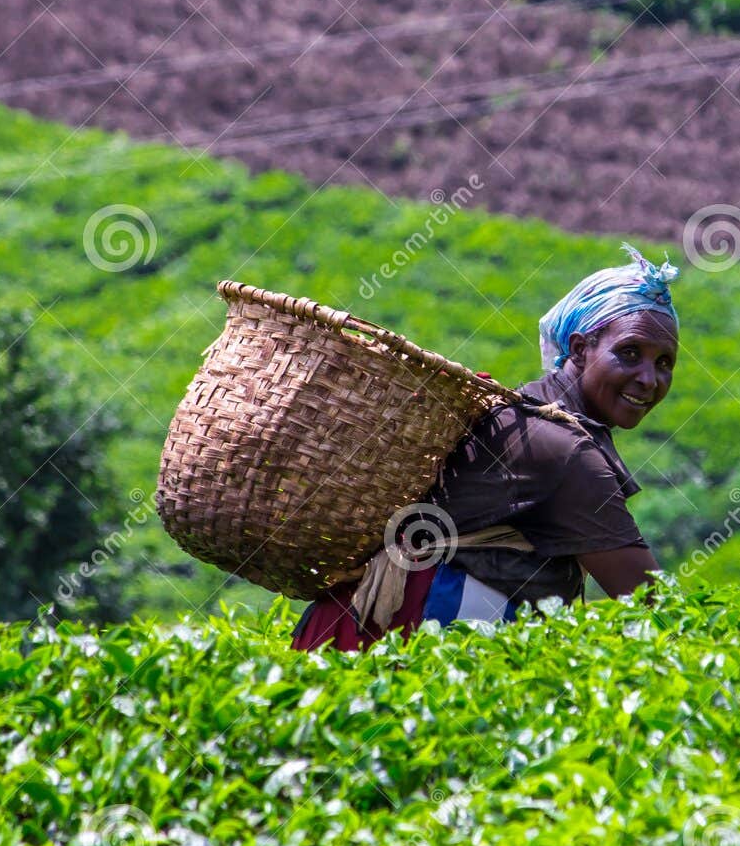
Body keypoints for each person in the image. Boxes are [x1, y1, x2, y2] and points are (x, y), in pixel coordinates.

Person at [291, 242, 679, 652]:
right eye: (629, 353)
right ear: (581, 350)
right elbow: (649, 602)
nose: (649, 378)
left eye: (664, 363)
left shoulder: (520, 409)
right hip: (406, 632)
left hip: (351, 626)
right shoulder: (565, 453)